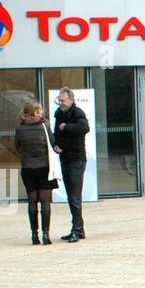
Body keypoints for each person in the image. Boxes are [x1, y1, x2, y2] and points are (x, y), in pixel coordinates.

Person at [52, 87, 89, 241]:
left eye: (63, 100)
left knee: (75, 196)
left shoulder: (77, 113)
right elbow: (56, 132)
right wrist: (55, 144)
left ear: (71, 100)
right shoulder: (59, 114)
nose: (60, 103)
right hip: (64, 157)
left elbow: (84, 128)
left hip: (77, 159)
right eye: (59, 100)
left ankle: (77, 229)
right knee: (70, 196)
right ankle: (78, 229)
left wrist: (66, 126)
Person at [14, 100, 53, 245]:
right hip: (44, 167)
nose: (42, 112)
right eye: (40, 110)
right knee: (45, 201)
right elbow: (53, 142)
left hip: (28, 168)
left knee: (32, 201)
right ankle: (46, 234)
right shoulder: (45, 126)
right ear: (36, 112)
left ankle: (34, 235)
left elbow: (17, 146)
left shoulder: (20, 128)